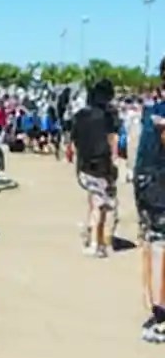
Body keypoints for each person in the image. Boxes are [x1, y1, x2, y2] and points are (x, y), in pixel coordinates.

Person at [134, 60, 165, 342]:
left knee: (153, 245)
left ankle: (155, 308)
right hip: (157, 189)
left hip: (148, 187)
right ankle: (161, 317)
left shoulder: (152, 112)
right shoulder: (158, 116)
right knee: (159, 248)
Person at [72, 79, 120, 258]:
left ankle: (95, 238)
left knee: (94, 201)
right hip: (102, 164)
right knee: (102, 205)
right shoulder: (109, 115)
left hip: (84, 164)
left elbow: (74, 140)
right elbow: (112, 139)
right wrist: (115, 162)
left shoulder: (80, 115)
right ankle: (97, 243)